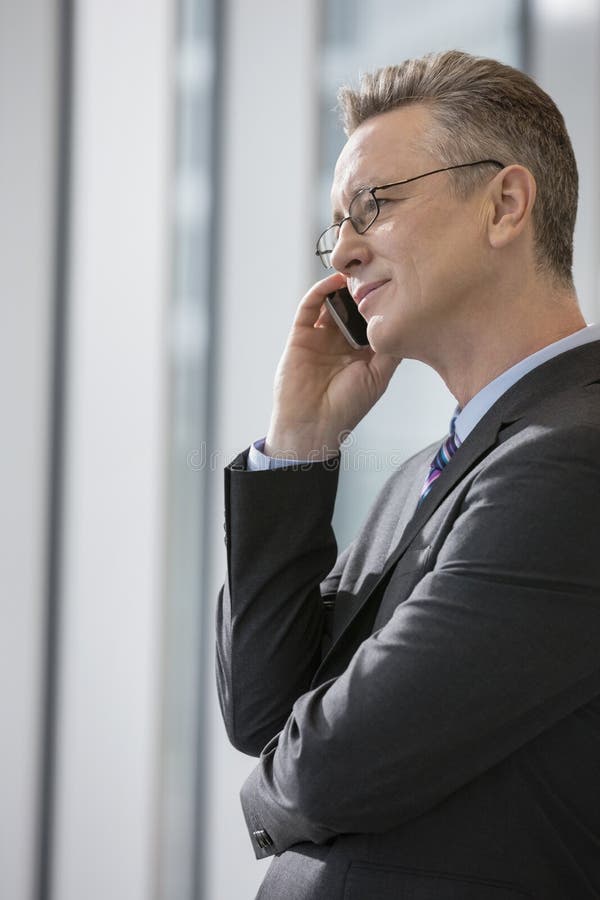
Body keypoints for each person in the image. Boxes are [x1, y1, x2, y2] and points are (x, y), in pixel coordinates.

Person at [216, 50, 600, 899]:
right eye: (338, 224)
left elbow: (331, 770)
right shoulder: (428, 476)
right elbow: (261, 712)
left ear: (505, 204)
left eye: (375, 206)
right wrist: (299, 440)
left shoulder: (576, 458)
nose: (343, 253)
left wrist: (271, 789)